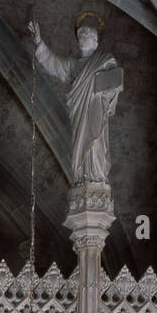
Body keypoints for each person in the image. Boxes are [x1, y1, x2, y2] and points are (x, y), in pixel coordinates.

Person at [29, 12, 124, 185]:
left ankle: (96, 177)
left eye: (86, 35)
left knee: (95, 143)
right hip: (79, 113)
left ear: (95, 41)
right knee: (80, 145)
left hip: (96, 110)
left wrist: (109, 93)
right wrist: (39, 42)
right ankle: (82, 178)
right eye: (80, 35)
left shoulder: (104, 60)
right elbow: (54, 64)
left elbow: (115, 81)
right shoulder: (73, 65)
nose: (81, 38)